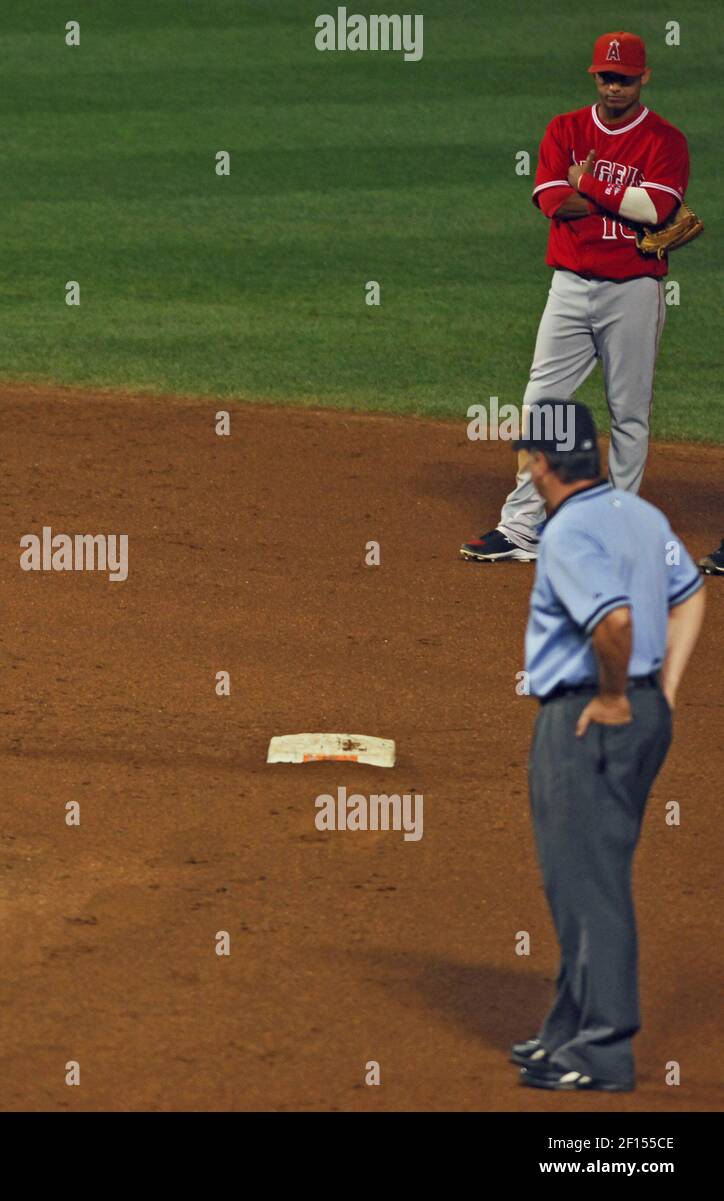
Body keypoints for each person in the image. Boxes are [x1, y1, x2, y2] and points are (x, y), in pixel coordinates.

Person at [510, 399, 705, 1091]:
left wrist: (619, 692)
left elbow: (614, 620)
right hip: (644, 717)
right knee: (579, 875)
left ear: (542, 462)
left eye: (527, 456)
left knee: (589, 883)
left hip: (590, 721)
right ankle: (568, 1028)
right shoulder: (638, 515)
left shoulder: (566, 533)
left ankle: (602, 1049)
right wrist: (663, 689)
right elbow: (690, 593)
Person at [461, 31, 690, 563]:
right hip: (568, 286)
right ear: (595, 76)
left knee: (628, 411)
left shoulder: (665, 140)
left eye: (625, 78)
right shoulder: (564, 128)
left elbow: (657, 211)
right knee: (540, 403)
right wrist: (619, 203)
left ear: (644, 78)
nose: (614, 86)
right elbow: (551, 199)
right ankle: (522, 525)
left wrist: (589, 185)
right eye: (606, 76)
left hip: (634, 289)